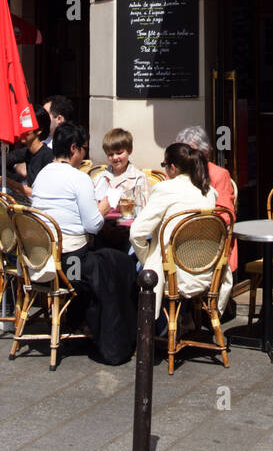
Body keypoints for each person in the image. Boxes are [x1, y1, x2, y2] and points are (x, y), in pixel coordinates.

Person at [31, 122, 136, 364]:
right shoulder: (78, 179)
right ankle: (115, 339)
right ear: (74, 148)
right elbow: (93, 226)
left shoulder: (42, 176)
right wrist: (107, 204)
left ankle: (82, 319)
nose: (84, 156)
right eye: (84, 150)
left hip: (41, 259)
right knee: (120, 263)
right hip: (71, 265)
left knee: (106, 258)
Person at [130, 142, 233, 321]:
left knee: (132, 265)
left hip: (174, 275)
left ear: (172, 167)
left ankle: (148, 329)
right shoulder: (208, 192)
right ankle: (182, 321)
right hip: (205, 272)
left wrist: (147, 259)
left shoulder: (166, 189)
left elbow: (136, 233)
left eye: (164, 165)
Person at [175, 125, 237, 273]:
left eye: (192, 152)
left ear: (205, 152)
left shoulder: (219, 174)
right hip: (177, 239)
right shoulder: (174, 172)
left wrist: (194, 223)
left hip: (208, 242)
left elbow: (226, 215)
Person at [93, 127, 150, 212]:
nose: (115, 157)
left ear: (129, 151)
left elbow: (143, 210)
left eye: (119, 153)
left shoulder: (139, 178)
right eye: (110, 154)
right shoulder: (100, 178)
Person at [3, 106, 54, 198]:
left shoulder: (48, 156)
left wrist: (10, 183)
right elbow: (7, 158)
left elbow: (39, 194)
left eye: (26, 127)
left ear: (39, 130)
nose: (21, 131)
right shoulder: (27, 151)